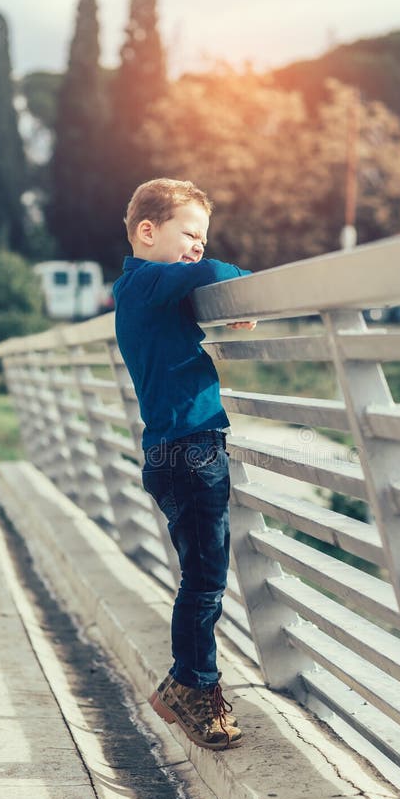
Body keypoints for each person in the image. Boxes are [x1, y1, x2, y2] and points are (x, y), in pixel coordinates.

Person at [113, 178, 256, 750]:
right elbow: (210, 274)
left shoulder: (144, 291)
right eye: (188, 233)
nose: (198, 245)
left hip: (184, 449)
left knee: (203, 578)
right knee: (203, 583)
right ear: (148, 232)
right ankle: (194, 687)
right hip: (188, 451)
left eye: (203, 237)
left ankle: (188, 683)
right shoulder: (146, 281)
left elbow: (199, 276)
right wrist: (240, 286)